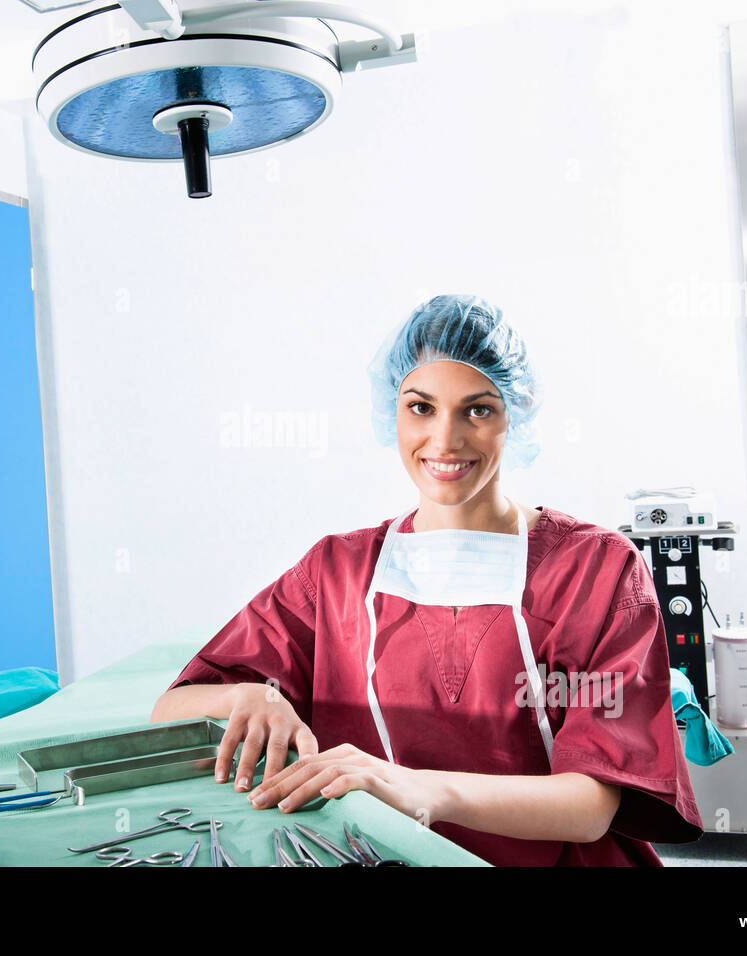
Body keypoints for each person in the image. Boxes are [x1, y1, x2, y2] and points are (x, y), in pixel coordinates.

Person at [150, 294, 703, 865]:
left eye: (478, 410)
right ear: (391, 409)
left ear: (518, 410)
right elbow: (174, 706)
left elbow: (590, 807)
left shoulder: (597, 569)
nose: (444, 440)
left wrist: (415, 787)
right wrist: (251, 694)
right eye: (421, 408)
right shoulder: (337, 572)